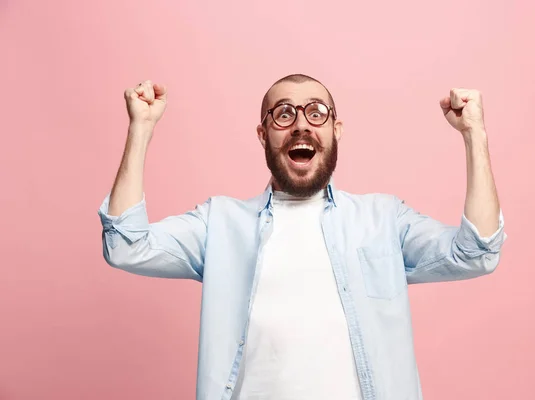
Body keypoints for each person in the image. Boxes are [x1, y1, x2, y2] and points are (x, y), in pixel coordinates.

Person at [98, 74, 507, 400]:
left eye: (315, 113)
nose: (300, 126)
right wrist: (141, 129)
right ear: (263, 134)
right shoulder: (219, 224)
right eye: (283, 114)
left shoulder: (384, 219)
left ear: (336, 129)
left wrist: (475, 135)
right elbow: (125, 245)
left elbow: (477, 253)